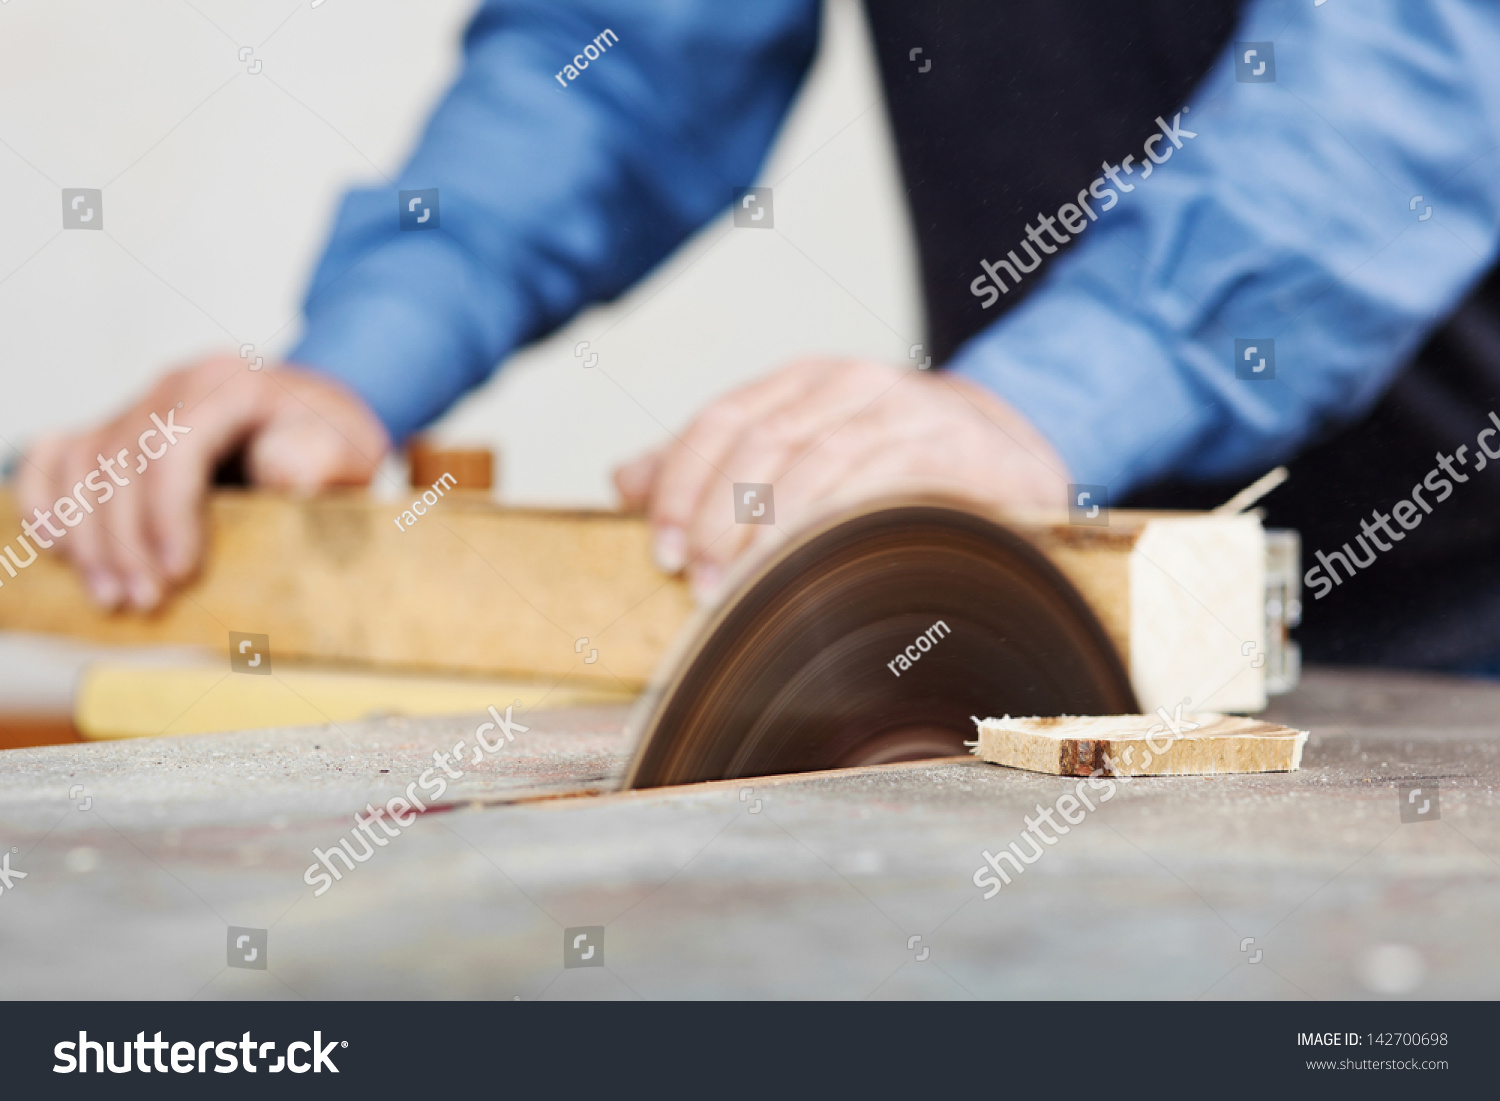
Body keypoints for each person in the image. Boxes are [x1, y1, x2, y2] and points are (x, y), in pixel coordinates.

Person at [19, 0, 1500, 669]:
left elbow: (1406, 86)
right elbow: (619, 58)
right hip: (1066, 610)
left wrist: (1031, 407)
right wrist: (349, 363)